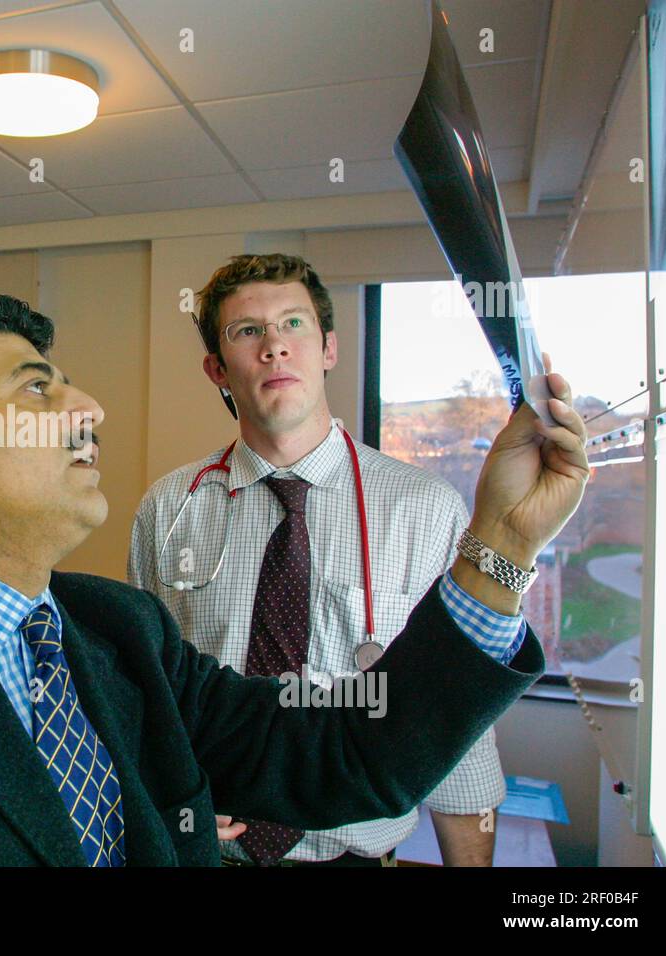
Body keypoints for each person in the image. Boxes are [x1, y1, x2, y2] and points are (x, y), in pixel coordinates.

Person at [0, 294, 588, 866]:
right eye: (36, 388)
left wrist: (497, 544)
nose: (87, 407)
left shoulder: (120, 630)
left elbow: (345, 756)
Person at [129, 253, 505, 867]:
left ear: (329, 348)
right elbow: (146, 693)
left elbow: (456, 722)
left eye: (294, 324)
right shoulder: (168, 508)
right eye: (247, 331)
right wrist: (165, 803)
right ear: (217, 369)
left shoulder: (424, 510)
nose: (274, 346)